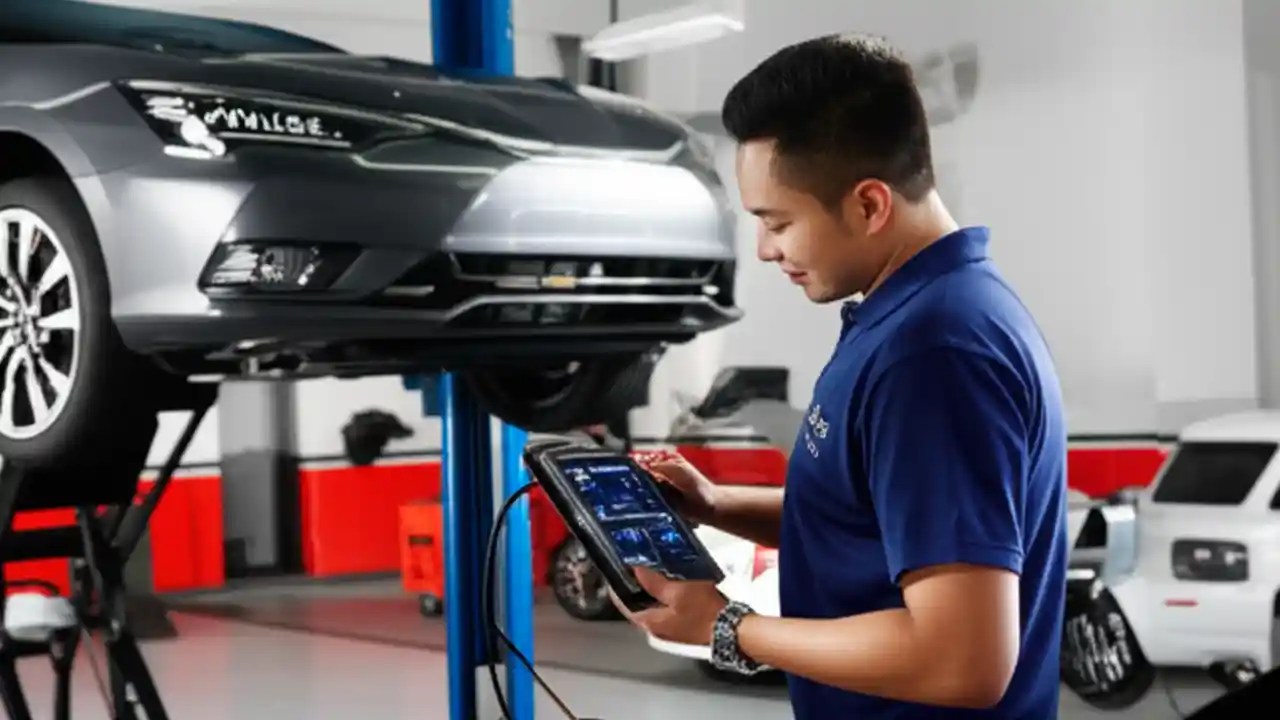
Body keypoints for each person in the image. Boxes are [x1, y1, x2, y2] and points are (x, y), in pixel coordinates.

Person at [620, 33, 1068, 719]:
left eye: (778, 222)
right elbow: (877, 524)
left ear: (868, 205)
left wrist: (727, 628)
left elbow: (964, 661)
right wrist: (715, 505)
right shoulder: (915, 315)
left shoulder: (934, 354)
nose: (767, 250)